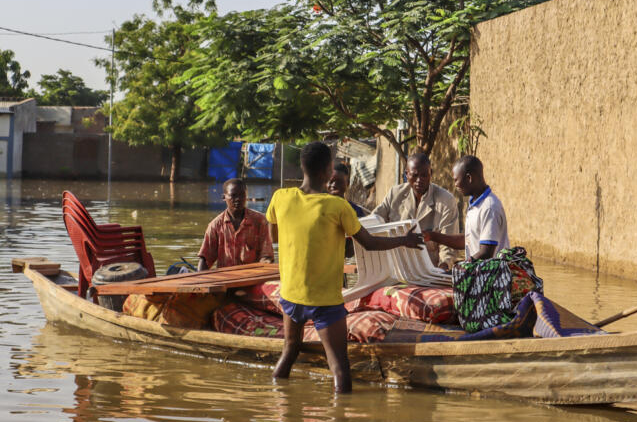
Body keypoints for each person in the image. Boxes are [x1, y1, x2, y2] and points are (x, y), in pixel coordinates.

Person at [267, 141, 422, 393]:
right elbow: (369, 244)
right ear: (327, 172)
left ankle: (279, 405)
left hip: (291, 296)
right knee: (339, 366)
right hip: (324, 302)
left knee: (290, 350)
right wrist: (405, 240)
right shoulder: (338, 207)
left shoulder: (280, 198)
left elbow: (274, 236)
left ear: (303, 167)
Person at [372, 152, 460, 270]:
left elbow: (448, 246)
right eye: (415, 175)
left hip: (430, 271)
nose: (419, 180)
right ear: (406, 174)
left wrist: (442, 269)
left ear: (431, 174)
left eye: (424, 175)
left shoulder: (446, 200)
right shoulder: (395, 194)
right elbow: (375, 220)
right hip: (397, 269)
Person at [423, 155, 509, 263]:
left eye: (456, 180)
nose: (455, 185)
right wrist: (432, 236)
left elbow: (486, 253)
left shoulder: (489, 207)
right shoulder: (476, 205)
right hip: (479, 274)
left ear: (469, 178)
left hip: (493, 277)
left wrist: (462, 267)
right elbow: (467, 240)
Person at [197, 178, 273, 271]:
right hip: (226, 280)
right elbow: (205, 259)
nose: (238, 199)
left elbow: (267, 256)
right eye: (233, 196)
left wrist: (259, 271)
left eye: (242, 195)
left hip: (253, 279)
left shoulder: (260, 221)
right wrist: (199, 282)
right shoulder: (215, 226)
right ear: (224, 197)